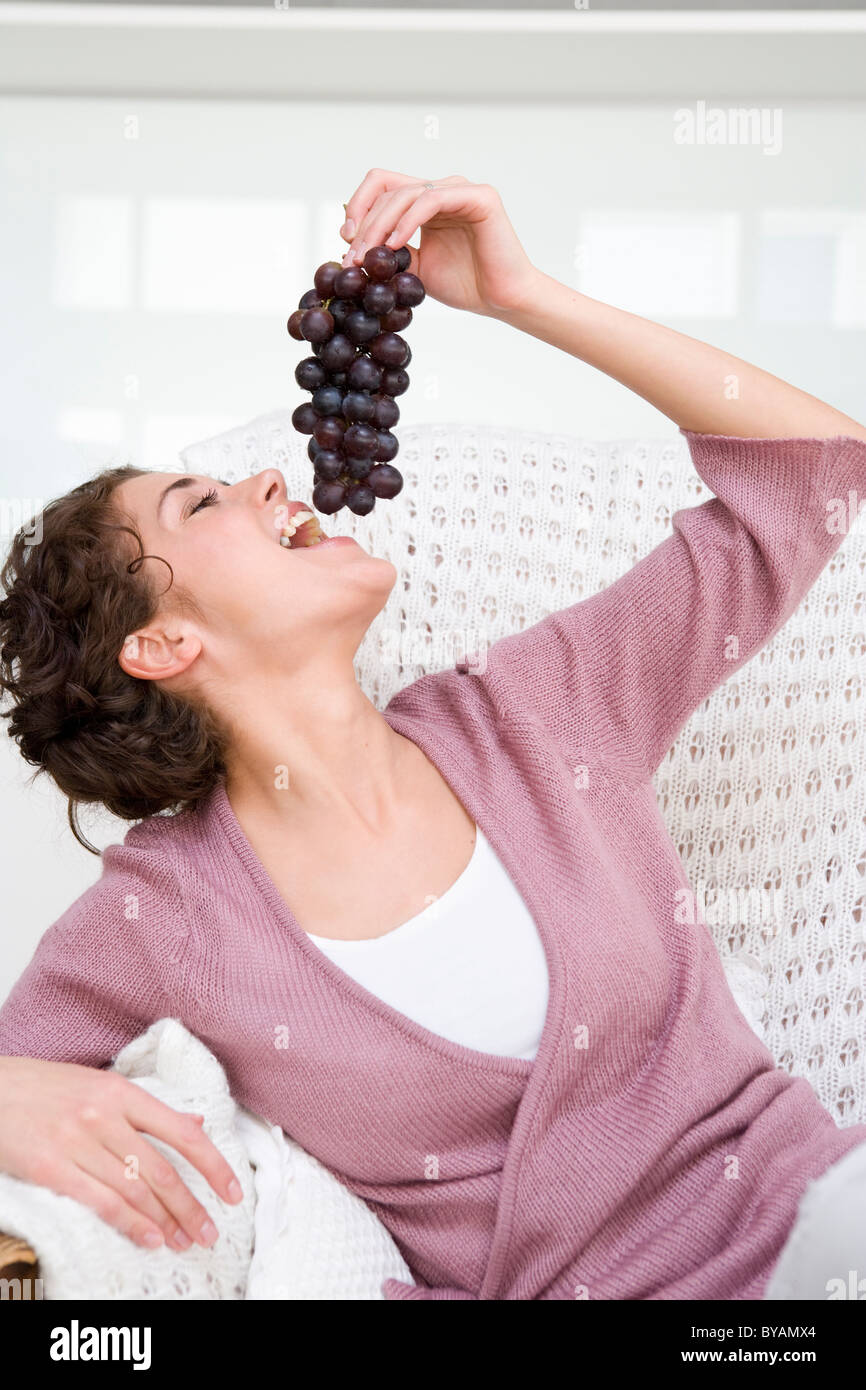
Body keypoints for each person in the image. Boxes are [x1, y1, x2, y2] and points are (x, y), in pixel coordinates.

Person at [0, 170, 864, 1301]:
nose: (266, 476)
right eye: (201, 505)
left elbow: (810, 474)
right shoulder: (161, 915)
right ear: (160, 647)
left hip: (816, 1231)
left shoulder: (536, 706)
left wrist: (522, 296)